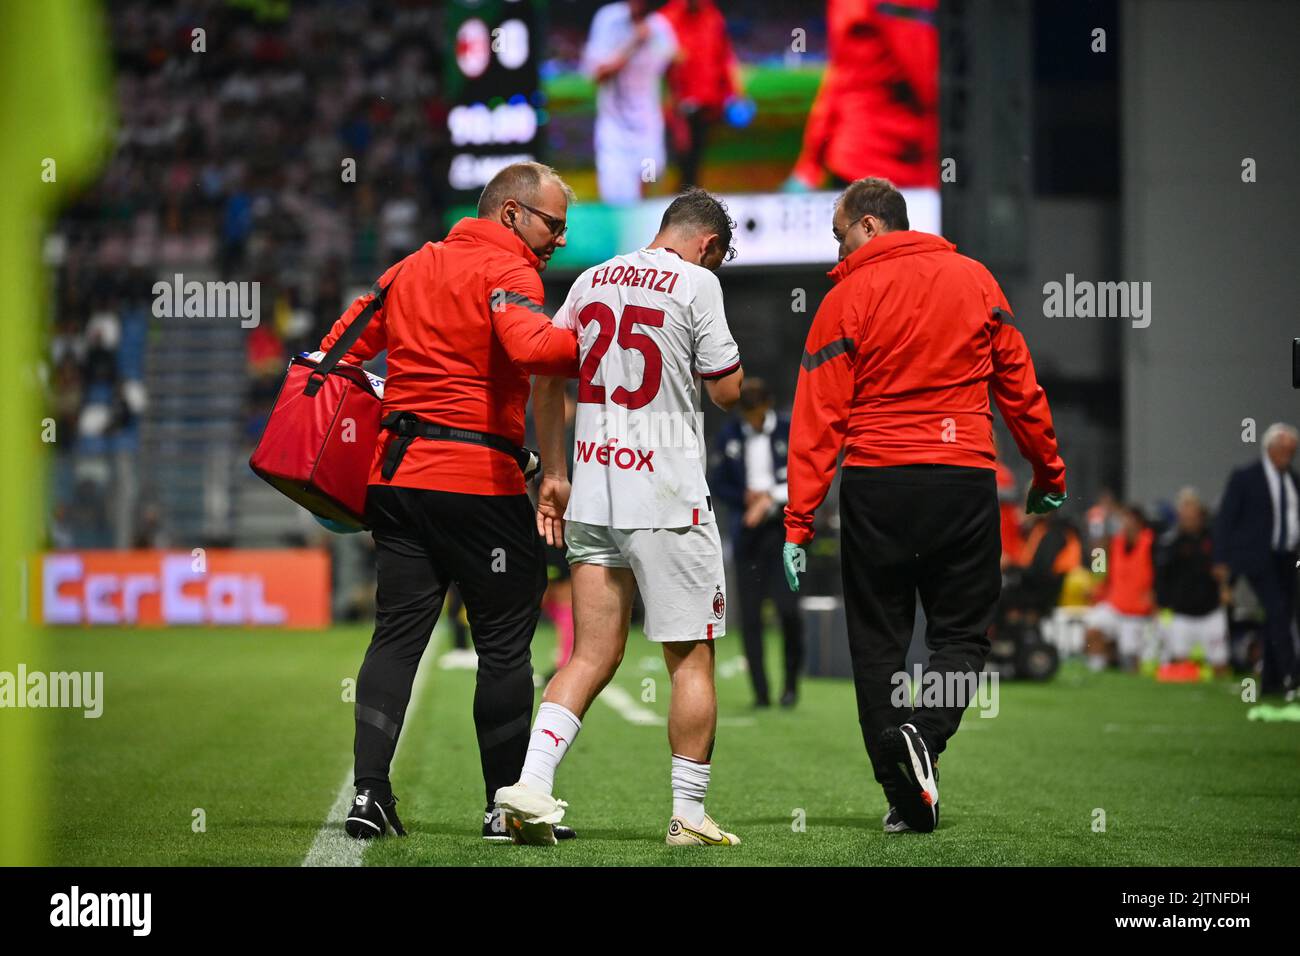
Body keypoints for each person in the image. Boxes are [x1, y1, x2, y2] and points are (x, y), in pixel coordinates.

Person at [781, 177, 1066, 834]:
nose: (837, 253)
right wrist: (1047, 471)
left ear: (870, 226)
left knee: (877, 644)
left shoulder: (844, 298)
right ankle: (926, 737)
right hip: (963, 479)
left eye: (839, 236)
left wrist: (799, 523)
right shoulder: (977, 281)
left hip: (878, 483)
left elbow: (817, 421)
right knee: (962, 636)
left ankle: (904, 790)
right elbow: (1020, 388)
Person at [317, 162, 581, 843]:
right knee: (502, 649)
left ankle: (370, 795)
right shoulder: (511, 271)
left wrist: (403, 406)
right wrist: (604, 333)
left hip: (398, 484)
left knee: (397, 636)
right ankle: (503, 807)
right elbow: (533, 348)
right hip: (478, 490)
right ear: (512, 214)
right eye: (553, 223)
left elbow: (336, 352)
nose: (559, 238)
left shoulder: (410, 267)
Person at [495, 188, 744, 847]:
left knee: (590, 653)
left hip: (595, 492)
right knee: (690, 659)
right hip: (665, 497)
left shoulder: (590, 279)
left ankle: (531, 786)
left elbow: (548, 378)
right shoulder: (697, 283)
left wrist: (554, 473)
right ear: (709, 245)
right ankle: (687, 816)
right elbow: (727, 391)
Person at [711, 377, 804, 707]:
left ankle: (791, 685)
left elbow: (805, 474)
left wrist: (770, 500)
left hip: (784, 533)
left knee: (788, 609)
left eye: (757, 411)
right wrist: (744, 499)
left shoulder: (789, 430)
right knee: (750, 617)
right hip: (747, 534)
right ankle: (761, 693)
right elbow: (717, 481)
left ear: (768, 404)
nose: (752, 418)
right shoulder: (731, 434)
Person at [784, 0, 938, 191]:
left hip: (859, 164)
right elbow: (929, 82)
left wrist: (810, 165)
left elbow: (840, 80)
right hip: (898, 170)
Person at [1213, 422, 1300, 697]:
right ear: (1270, 448)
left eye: (1292, 450)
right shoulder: (1246, 477)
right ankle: (1293, 677)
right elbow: (1226, 519)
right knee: (1276, 612)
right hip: (1257, 558)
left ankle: (1271, 681)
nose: (1289, 455)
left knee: (1279, 617)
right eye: (1285, 450)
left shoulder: (1293, 480)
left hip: (1287, 557)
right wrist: (1221, 559)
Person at [583, 0, 679, 204]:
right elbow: (598, 75)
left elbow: (673, 71)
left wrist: (677, 118)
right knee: (618, 201)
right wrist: (633, 43)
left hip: (647, 133)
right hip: (614, 132)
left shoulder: (660, 27)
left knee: (651, 193)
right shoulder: (609, 20)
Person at [659, 0, 742, 190]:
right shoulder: (666, 19)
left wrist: (734, 93)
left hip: (707, 105)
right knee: (679, 160)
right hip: (677, 107)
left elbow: (723, 56)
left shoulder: (713, 16)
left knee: (695, 161)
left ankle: (688, 198)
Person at [1155, 488, 1229, 674]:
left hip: (1211, 611)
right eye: (1184, 508)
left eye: (1191, 507)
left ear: (1199, 511)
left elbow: (1225, 567)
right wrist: (1161, 603)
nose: (1188, 514)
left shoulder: (1214, 538)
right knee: (1180, 664)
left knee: (1220, 663)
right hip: (1182, 613)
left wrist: (1227, 585)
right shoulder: (1171, 541)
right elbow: (1162, 573)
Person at [1082, 504, 1155, 671]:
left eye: (1128, 519)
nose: (1125, 524)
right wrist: (1097, 590)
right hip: (1115, 606)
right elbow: (1100, 570)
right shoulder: (1115, 543)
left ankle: (1113, 659)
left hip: (1138, 611)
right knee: (1093, 627)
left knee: (1130, 660)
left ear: (1139, 522)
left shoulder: (1150, 543)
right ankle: (1097, 667)